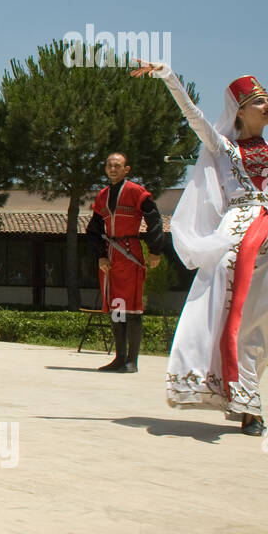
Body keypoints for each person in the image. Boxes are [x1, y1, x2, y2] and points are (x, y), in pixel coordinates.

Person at [132, 55, 268, 436]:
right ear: (239, 111)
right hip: (238, 232)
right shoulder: (224, 149)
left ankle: (245, 394)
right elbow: (193, 116)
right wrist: (167, 75)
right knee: (233, 313)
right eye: (260, 101)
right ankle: (247, 403)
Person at [85, 152, 166, 373]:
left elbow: (154, 220)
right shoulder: (102, 196)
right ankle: (119, 358)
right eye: (109, 165)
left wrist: (155, 250)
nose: (113, 169)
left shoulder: (136, 192)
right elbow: (93, 229)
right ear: (106, 169)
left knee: (132, 309)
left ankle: (132, 361)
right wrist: (100, 255)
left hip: (130, 254)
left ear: (126, 169)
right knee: (116, 308)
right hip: (110, 257)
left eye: (117, 166)